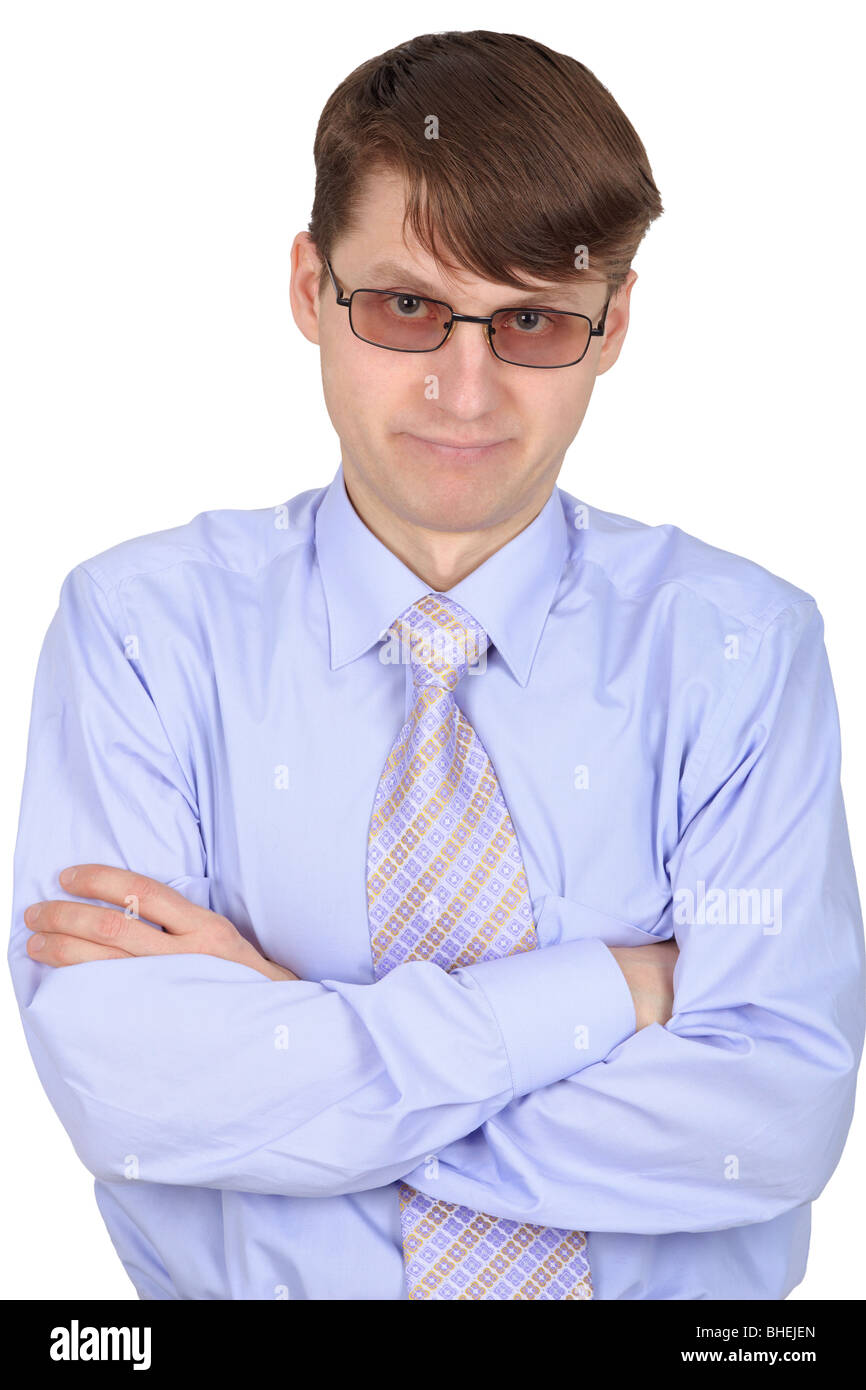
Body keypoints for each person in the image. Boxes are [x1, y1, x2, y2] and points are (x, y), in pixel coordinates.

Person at [8, 29, 865, 1301]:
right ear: (311, 290)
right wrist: (606, 992)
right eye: (407, 306)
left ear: (611, 322)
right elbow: (138, 1090)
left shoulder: (739, 651)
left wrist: (296, 1039)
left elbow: (766, 1128)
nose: (463, 394)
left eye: (529, 320)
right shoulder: (141, 633)